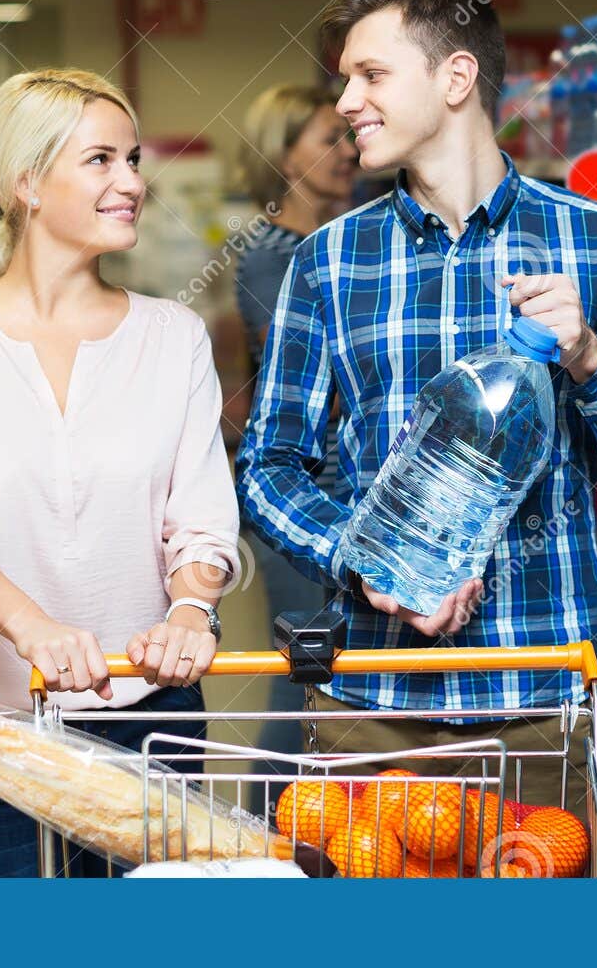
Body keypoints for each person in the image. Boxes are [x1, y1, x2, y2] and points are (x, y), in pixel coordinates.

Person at [237, 0, 597, 826]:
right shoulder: (328, 261)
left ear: (455, 78)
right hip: (373, 704)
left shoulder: (594, 240)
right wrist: (364, 560)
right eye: (345, 80)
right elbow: (267, 467)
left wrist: (591, 359)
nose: (346, 102)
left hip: (541, 703)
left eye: (371, 75)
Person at [0, 69, 240, 878]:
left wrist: (191, 610)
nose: (133, 182)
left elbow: (200, 517)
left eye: (133, 159)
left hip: (152, 706)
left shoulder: (173, 336)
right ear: (28, 182)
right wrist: (31, 626)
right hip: (1, 718)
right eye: (102, 160)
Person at [232, 84, 357, 767]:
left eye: (348, 136)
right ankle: (266, 824)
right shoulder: (271, 253)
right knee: (304, 679)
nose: (348, 151)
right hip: (299, 498)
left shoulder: (335, 242)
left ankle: (316, 821)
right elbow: (309, 387)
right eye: (328, 139)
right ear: (283, 156)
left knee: (333, 680)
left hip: (346, 499)